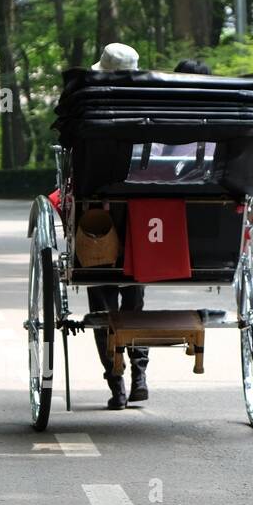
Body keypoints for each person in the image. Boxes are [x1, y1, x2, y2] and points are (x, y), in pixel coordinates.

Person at [85, 43, 148, 409]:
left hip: (101, 215)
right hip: (146, 213)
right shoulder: (150, 104)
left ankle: (117, 384)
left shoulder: (92, 106)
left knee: (102, 300)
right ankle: (139, 373)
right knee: (134, 296)